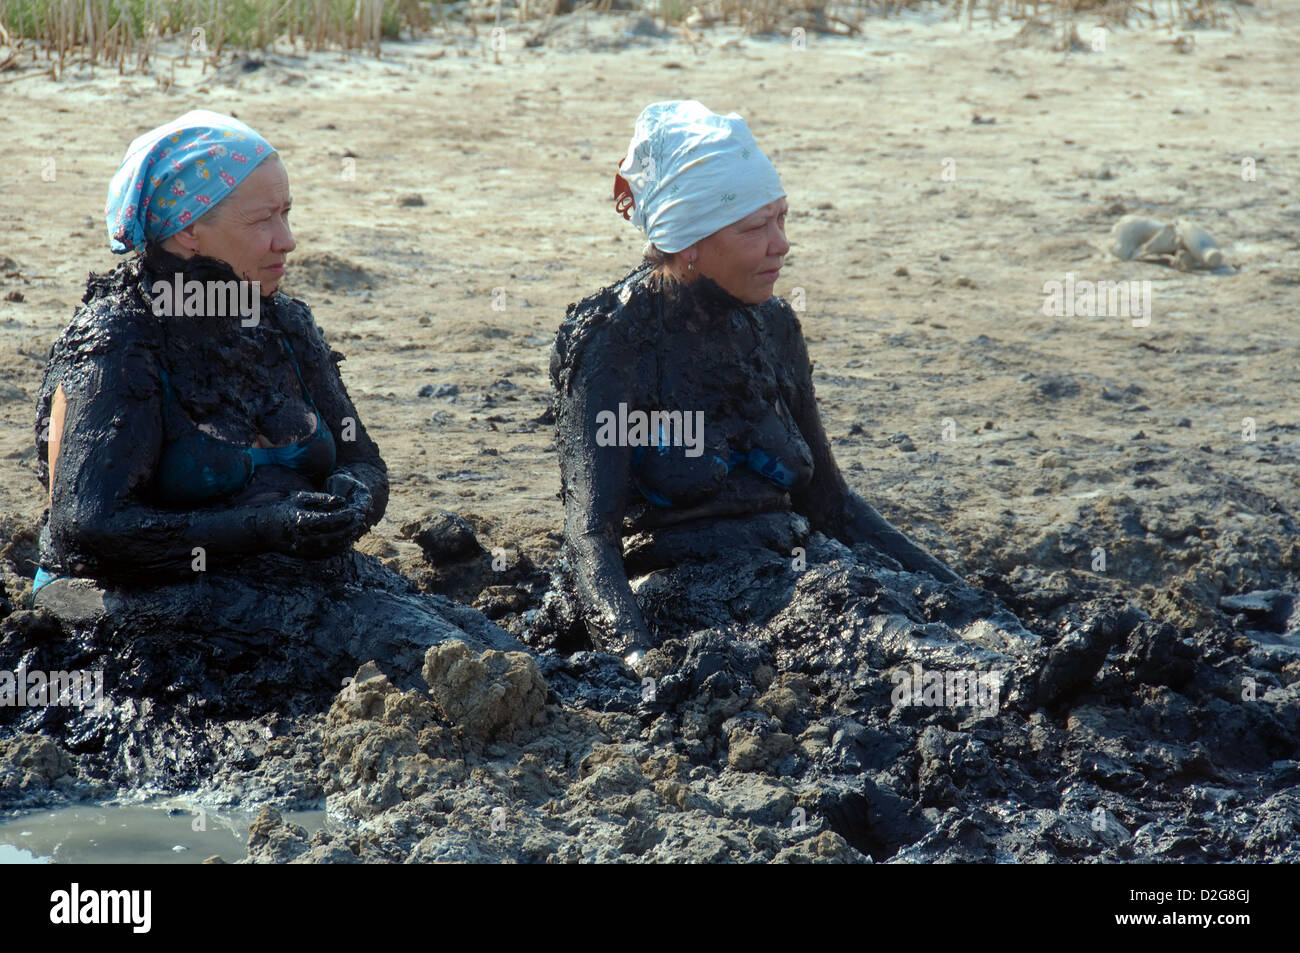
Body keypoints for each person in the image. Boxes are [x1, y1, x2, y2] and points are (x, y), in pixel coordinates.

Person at [22, 111, 515, 718]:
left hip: (306, 578)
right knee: (453, 679)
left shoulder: (284, 321)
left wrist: (352, 500)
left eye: (287, 213)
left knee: (505, 657)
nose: (288, 240)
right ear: (186, 233)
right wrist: (268, 528)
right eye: (263, 221)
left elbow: (360, 456)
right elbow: (87, 529)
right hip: (144, 602)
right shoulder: (120, 341)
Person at [547, 101, 962, 666]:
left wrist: (965, 595)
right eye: (755, 228)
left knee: (948, 622)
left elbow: (833, 506)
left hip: (803, 568)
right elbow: (590, 537)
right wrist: (635, 664)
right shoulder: (613, 344)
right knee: (895, 643)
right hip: (691, 594)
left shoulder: (772, 325)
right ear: (690, 241)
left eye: (782, 219)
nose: (781, 244)